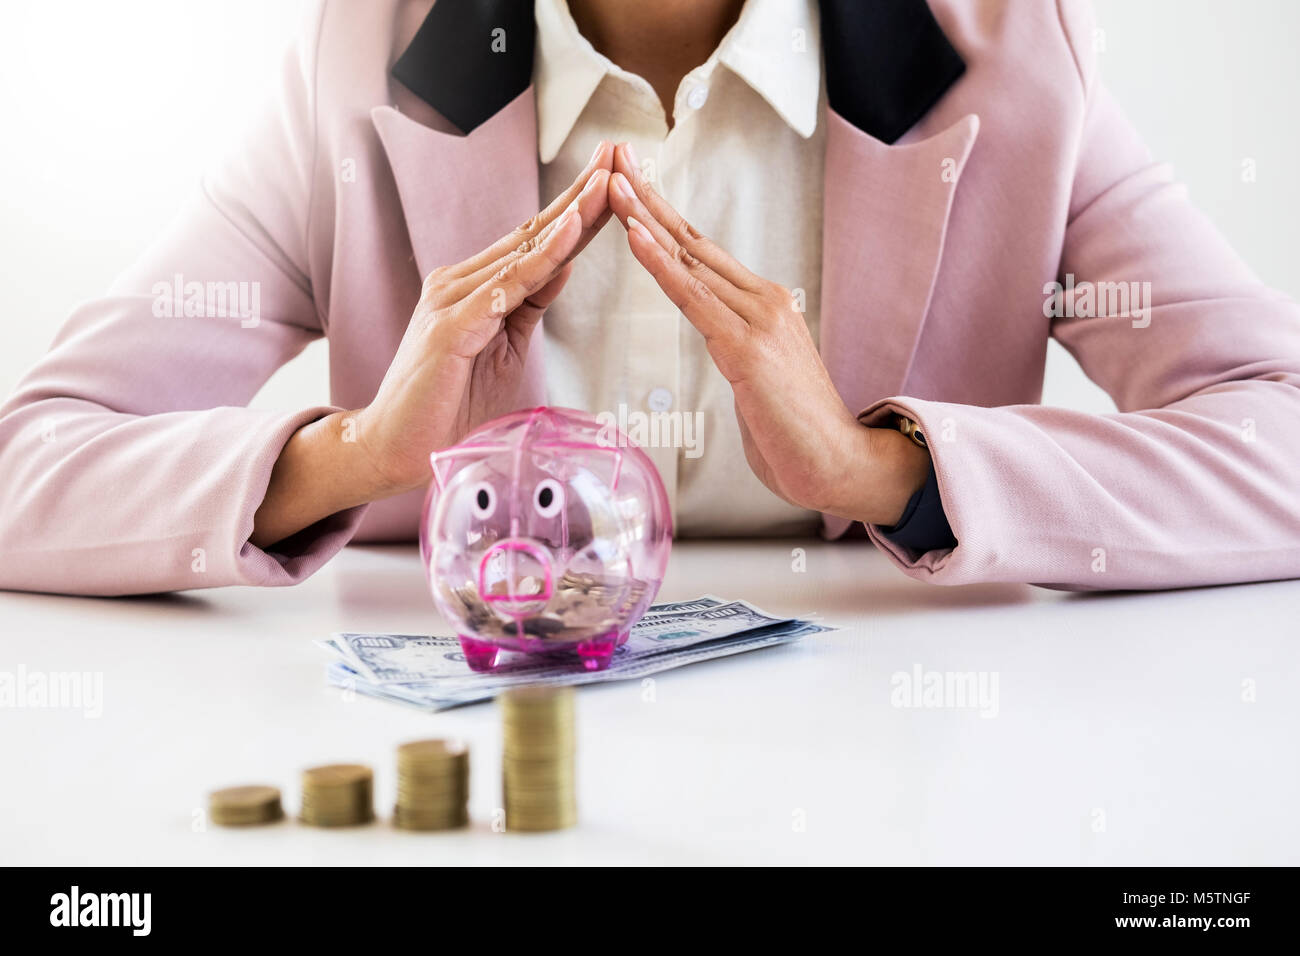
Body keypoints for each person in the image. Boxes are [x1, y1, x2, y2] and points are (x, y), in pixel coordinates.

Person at [1, 0, 1298, 596]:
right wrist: (357, 454)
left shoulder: (1014, 55)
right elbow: (27, 466)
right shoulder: (363, 51)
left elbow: (1280, 432)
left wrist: (884, 469)